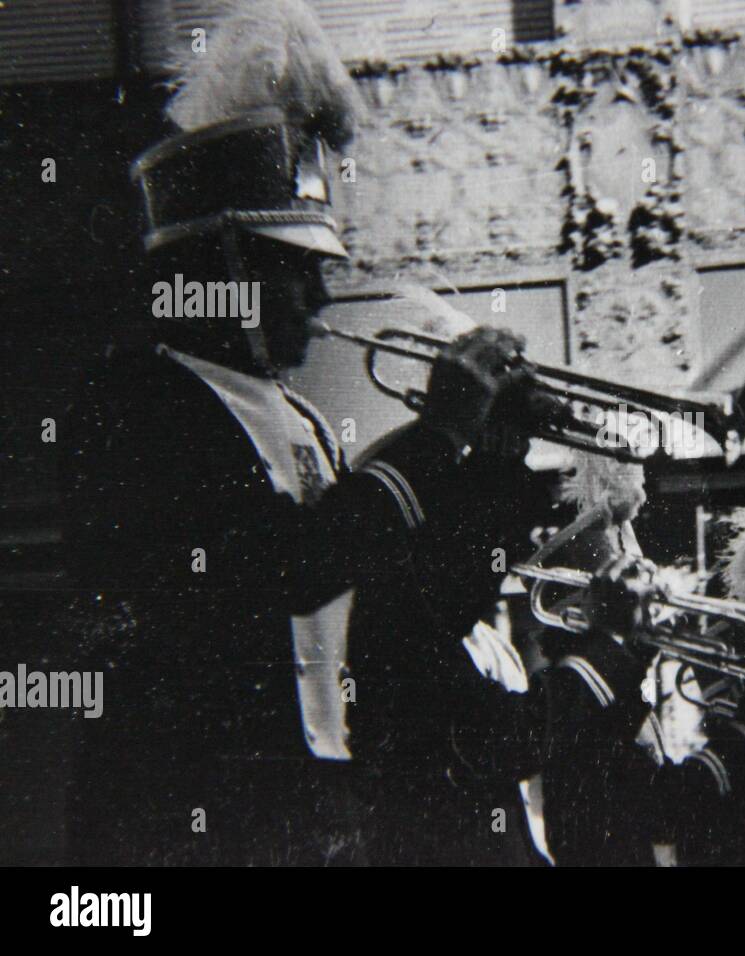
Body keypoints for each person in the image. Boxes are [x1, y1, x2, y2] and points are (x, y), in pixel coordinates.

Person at [60, 0, 552, 864]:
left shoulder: (301, 420)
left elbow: (397, 612)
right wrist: (435, 435)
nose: (322, 301)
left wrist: (494, 467)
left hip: (317, 805)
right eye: (298, 273)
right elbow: (278, 564)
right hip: (186, 819)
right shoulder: (132, 402)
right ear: (225, 269)